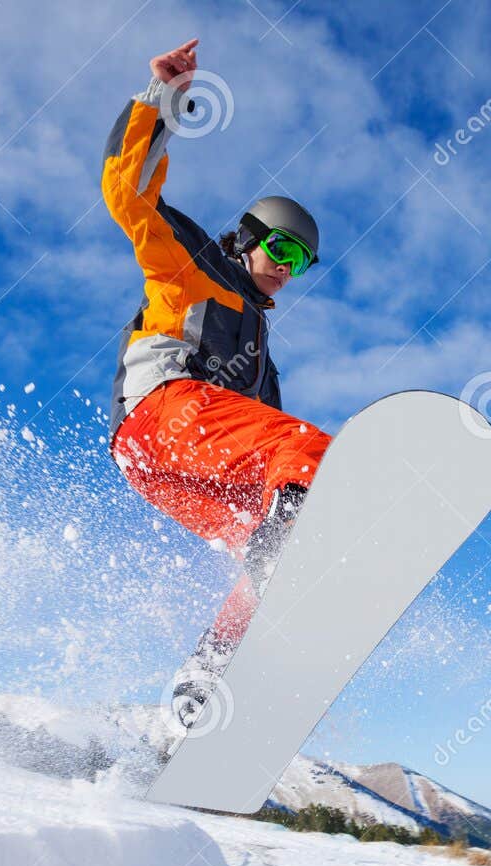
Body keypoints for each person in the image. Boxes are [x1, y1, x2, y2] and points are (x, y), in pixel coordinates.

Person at [102, 38, 327, 723]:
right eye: (282, 248)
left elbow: (262, 444)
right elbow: (129, 193)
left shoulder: (259, 349)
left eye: (302, 262)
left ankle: (204, 683)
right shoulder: (193, 264)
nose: (287, 267)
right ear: (246, 237)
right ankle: (283, 553)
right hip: (161, 417)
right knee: (312, 453)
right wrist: (160, 100)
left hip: (160, 467)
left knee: (268, 558)